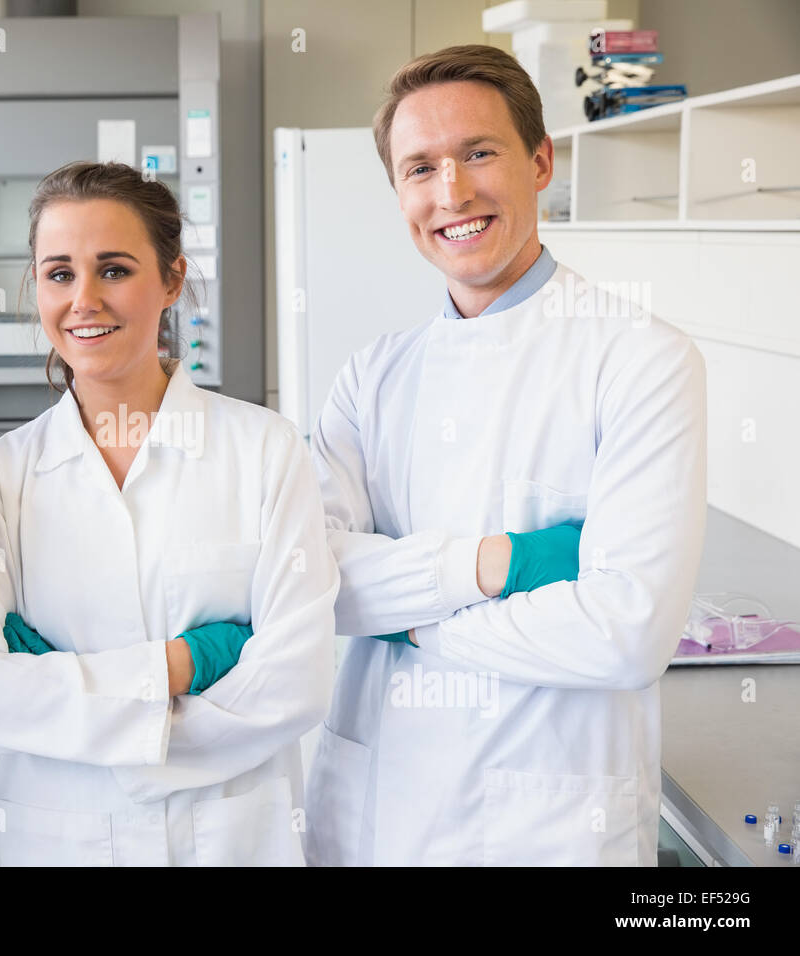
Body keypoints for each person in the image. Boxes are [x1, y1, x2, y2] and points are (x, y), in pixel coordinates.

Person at [303, 46, 707, 866]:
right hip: (379, 814)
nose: (451, 192)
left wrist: (410, 626)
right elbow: (315, 583)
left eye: (478, 153)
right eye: (420, 168)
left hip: (547, 827)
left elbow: (624, 634)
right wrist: (508, 565)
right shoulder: (370, 377)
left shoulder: (641, 358)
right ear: (399, 193)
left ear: (540, 161)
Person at [0, 161, 337, 866]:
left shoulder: (264, 451)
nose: (84, 299)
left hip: (233, 838)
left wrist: (69, 702)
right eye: (59, 274)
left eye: (114, 269)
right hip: (58, 840)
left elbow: (296, 684)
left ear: (173, 281)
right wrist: (181, 666)